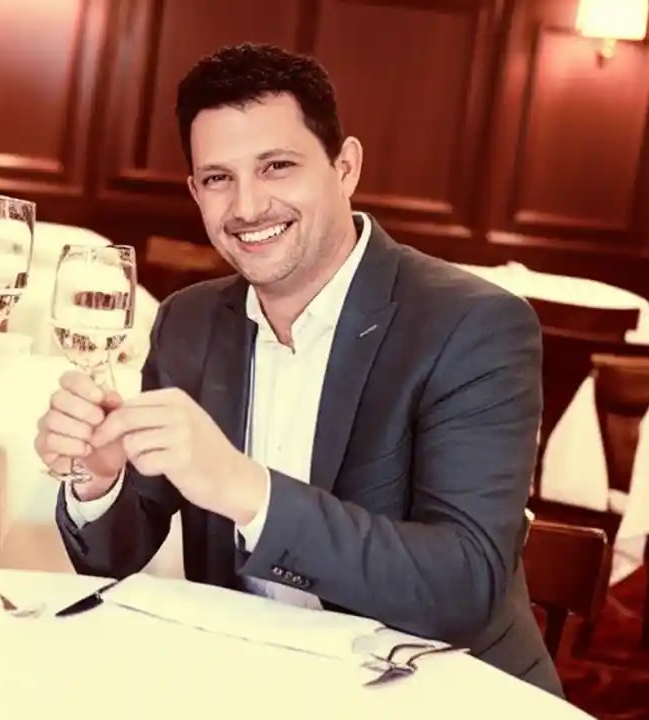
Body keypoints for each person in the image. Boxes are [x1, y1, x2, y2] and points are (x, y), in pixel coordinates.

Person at [35, 44, 560, 696]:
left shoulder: (472, 325)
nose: (248, 207)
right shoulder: (189, 322)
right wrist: (100, 480)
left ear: (345, 167)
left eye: (277, 167)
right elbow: (115, 555)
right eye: (219, 179)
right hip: (254, 684)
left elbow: (461, 587)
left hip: (442, 693)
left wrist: (246, 490)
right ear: (195, 192)